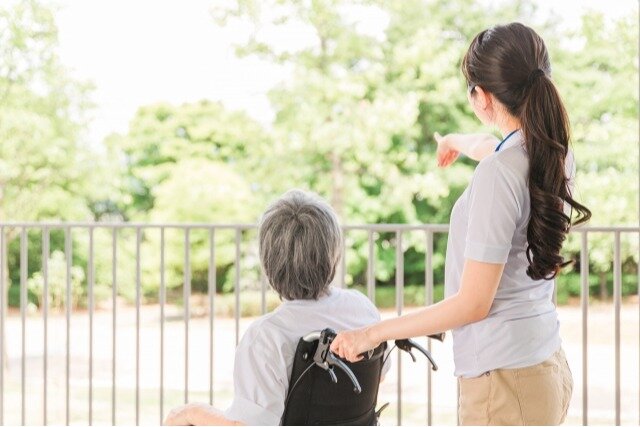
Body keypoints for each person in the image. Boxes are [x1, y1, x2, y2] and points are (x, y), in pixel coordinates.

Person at [330, 22, 591, 426]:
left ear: (480, 97)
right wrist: (452, 140)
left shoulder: (498, 174)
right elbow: (489, 148)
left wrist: (371, 333)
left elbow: (472, 303)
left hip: (504, 385)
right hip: (543, 366)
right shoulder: (553, 153)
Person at [164, 189, 389, 426]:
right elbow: (377, 377)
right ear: (334, 253)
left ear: (268, 260)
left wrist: (191, 412)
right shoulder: (363, 309)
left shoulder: (266, 336)